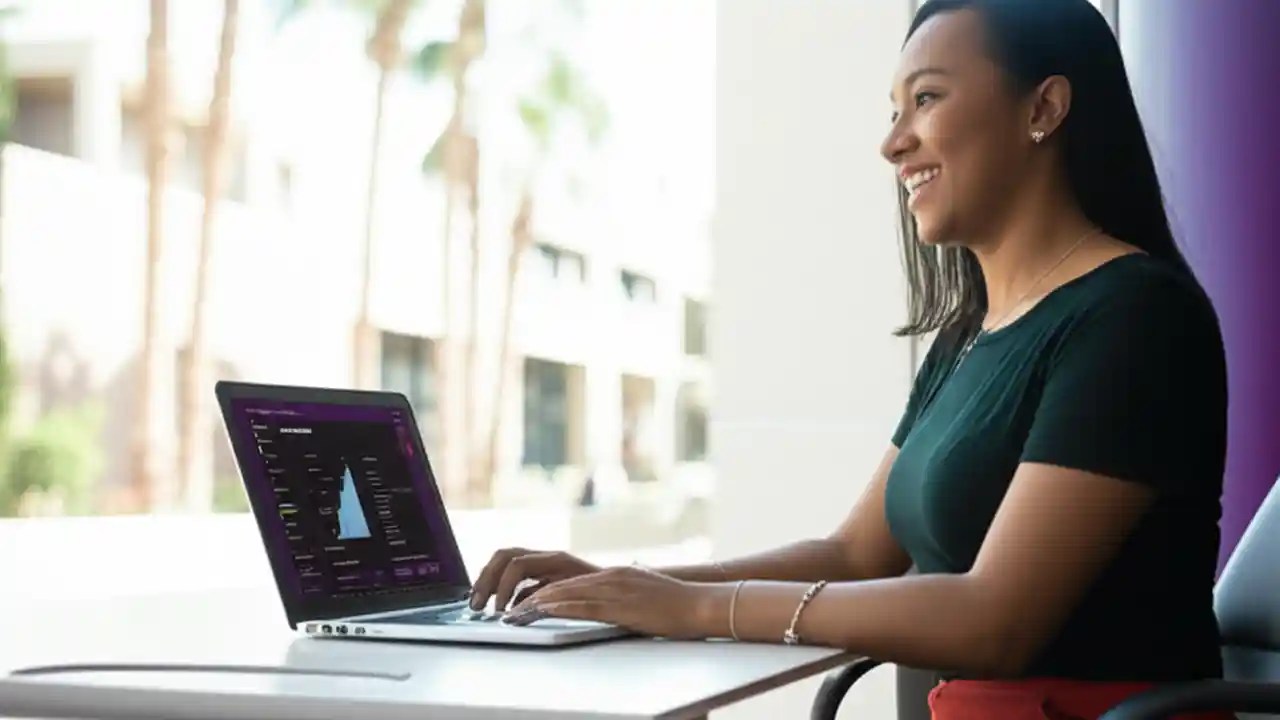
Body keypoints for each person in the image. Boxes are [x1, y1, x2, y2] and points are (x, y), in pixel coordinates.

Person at [468, 1, 1233, 717]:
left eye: (926, 99)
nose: (893, 142)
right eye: (893, 111)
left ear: (1043, 108)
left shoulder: (1136, 317)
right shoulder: (968, 336)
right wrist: (633, 586)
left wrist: (696, 608)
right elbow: (855, 553)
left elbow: (995, 619)